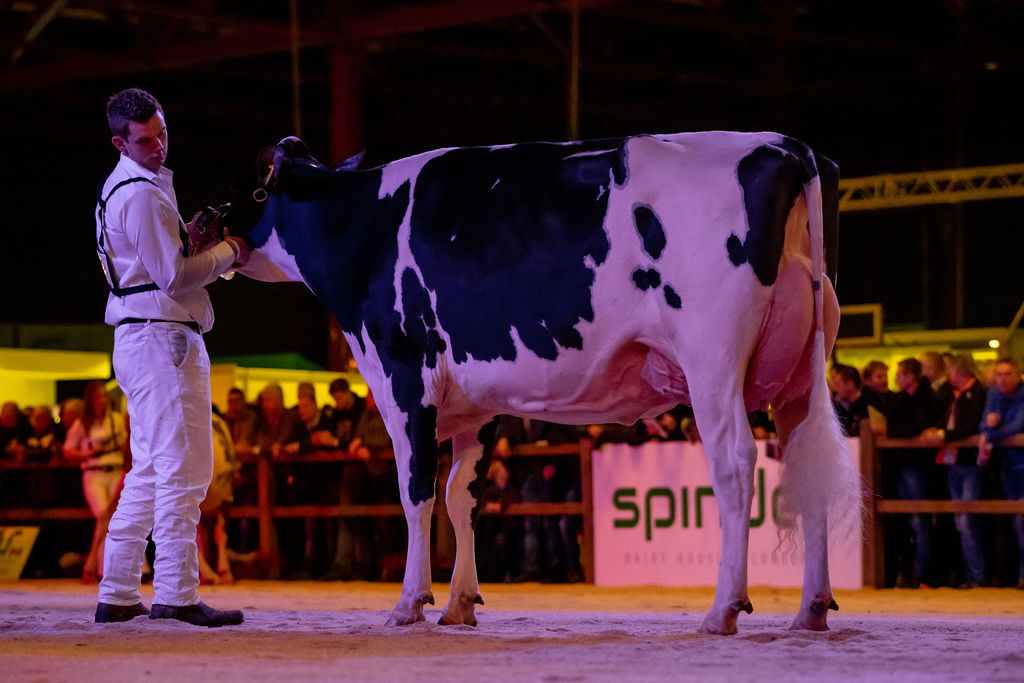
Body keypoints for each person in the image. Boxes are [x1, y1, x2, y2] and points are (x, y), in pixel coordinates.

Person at [93, 88, 248, 626]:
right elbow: (174, 276)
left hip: (144, 337)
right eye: (145, 139)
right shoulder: (139, 193)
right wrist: (229, 252)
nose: (159, 145)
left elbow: (158, 263)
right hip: (161, 339)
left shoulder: (126, 187)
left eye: (162, 133)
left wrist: (186, 238)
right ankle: (177, 593)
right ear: (121, 141)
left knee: (152, 469)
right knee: (184, 469)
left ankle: (117, 590)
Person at [923, 353, 989, 587]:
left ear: (959, 371)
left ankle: (977, 577)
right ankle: (972, 576)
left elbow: (972, 425)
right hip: (953, 460)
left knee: (967, 520)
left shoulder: (978, 393)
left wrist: (943, 435)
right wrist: (937, 430)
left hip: (970, 461)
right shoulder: (953, 394)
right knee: (961, 520)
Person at [62, 381, 130, 582]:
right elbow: (67, 450)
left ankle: (102, 569)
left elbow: (126, 446)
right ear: (90, 400)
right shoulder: (83, 422)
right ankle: (99, 566)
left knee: (117, 519)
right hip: (93, 472)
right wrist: (86, 453)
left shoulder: (116, 420)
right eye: (97, 397)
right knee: (104, 515)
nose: (102, 401)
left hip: (116, 471)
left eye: (104, 396)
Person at [886, 358, 939, 587]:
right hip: (903, 465)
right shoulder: (898, 400)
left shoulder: (928, 397)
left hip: (921, 465)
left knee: (920, 520)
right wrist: (917, 431)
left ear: (910, 377)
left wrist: (912, 432)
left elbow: (931, 422)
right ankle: (911, 573)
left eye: (900, 375)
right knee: (907, 521)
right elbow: (893, 430)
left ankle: (921, 575)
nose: (897, 379)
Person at [978, 358, 1024, 588]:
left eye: (1007, 374)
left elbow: (1017, 426)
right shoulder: (994, 395)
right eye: (999, 374)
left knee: (1020, 520)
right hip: (1006, 467)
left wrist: (990, 434)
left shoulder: (1022, 396)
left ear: (1017, 375)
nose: (1003, 379)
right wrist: (988, 430)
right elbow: (982, 426)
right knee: (1011, 522)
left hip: (1021, 465)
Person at [831, 364, 871, 437]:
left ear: (849, 384)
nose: (834, 388)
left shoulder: (869, 402)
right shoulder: (835, 404)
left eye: (837, 384)